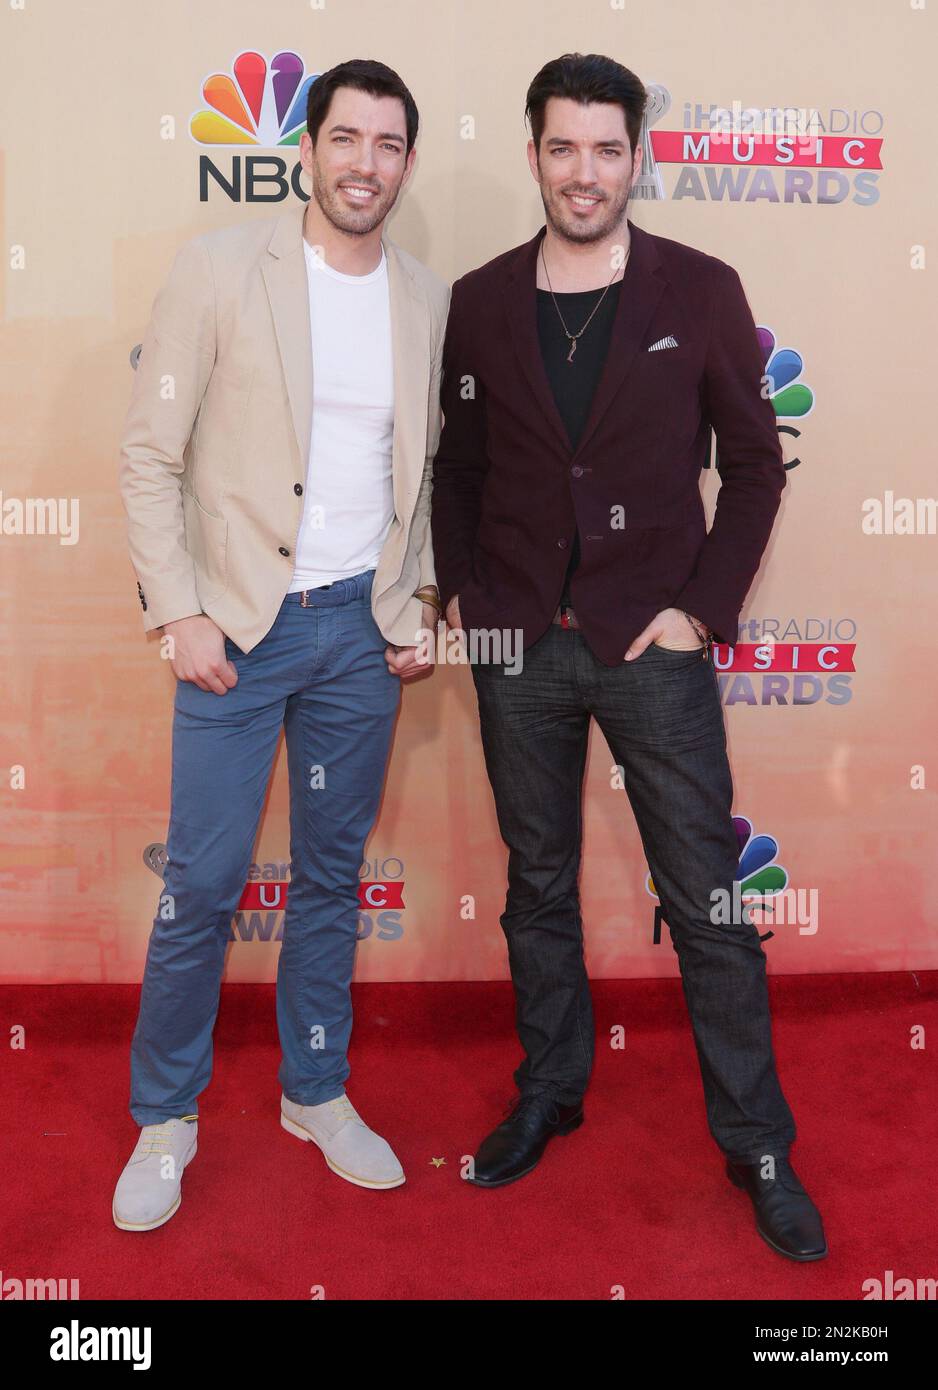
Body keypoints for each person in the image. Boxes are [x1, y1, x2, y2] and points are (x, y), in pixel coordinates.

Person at [430, 52, 826, 1262]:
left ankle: (757, 1144)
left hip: (651, 642)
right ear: (534, 153)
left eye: (607, 148)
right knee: (536, 888)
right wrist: (461, 595)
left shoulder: (699, 290)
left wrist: (701, 611)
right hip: (517, 648)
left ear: (637, 154)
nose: (584, 171)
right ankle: (549, 1090)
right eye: (562, 147)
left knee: (706, 902)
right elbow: (460, 465)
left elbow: (754, 466)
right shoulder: (481, 297)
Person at [114, 59, 448, 1230]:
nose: (365, 163)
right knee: (199, 884)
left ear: (407, 161)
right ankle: (166, 1115)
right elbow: (150, 455)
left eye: (388, 144)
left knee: (326, 877)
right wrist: (176, 608)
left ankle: (313, 1087)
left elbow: (424, 472)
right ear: (306, 151)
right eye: (345, 138)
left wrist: (417, 600)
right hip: (235, 634)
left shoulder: (421, 292)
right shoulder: (219, 269)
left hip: (360, 635)